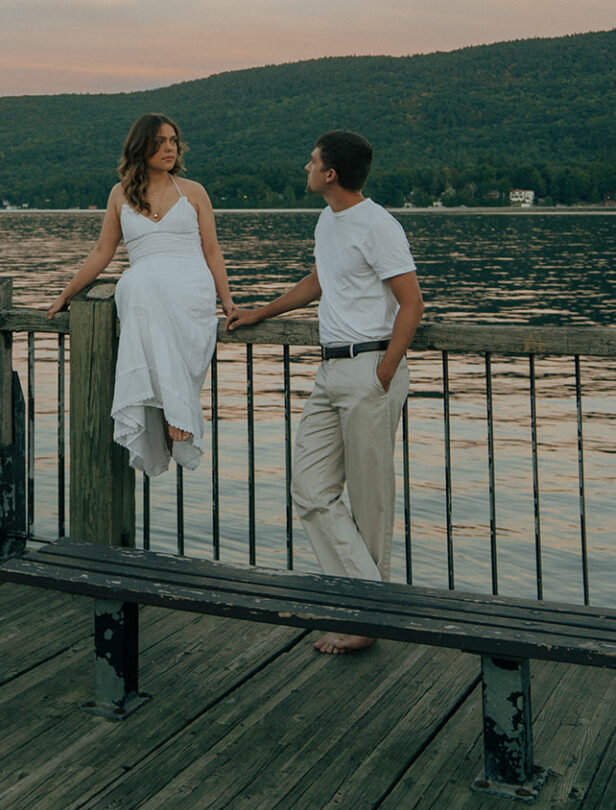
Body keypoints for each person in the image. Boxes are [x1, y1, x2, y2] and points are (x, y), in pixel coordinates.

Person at [227, 130, 423, 655]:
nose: (306, 168)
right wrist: (259, 313)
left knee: (371, 501)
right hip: (330, 370)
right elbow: (319, 282)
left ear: (331, 173)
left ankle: (364, 616)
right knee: (311, 489)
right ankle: (372, 604)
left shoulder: (379, 224)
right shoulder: (327, 220)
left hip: (369, 371)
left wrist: (383, 372)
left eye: (312, 161)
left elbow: (412, 303)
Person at [47, 113, 235, 478]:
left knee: (139, 287)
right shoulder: (120, 194)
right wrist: (65, 294)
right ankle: (171, 411)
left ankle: (172, 410)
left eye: (173, 141)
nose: (169, 148)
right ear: (141, 146)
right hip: (146, 282)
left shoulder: (193, 192)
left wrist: (226, 301)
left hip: (189, 284)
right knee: (134, 284)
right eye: (160, 142)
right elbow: (103, 251)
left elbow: (212, 251)